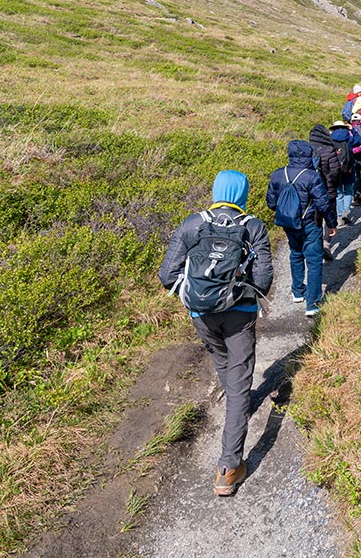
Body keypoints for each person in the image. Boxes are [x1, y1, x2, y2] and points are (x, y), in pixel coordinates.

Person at [158, 170, 272, 496]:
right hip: (240, 314)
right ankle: (228, 467)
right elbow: (263, 282)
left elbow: (167, 274)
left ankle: (238, 407)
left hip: (202, 316)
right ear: (243, 193)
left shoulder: (192, 223)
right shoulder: (253, 227)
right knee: (238, 385)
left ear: (216, 190)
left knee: (222, 361)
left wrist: (195, 296)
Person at [264, 141, 335, 315]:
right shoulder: (312, 176)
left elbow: (271, 202)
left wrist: (288, 212)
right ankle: (312, 304)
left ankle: (297, 292)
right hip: (309, 224)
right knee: (314, 260)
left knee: (295, 254)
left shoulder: (278, 175)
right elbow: (323, 204)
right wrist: (331, 224)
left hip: (289, 224)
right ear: (308, 155)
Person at [309, 123, 341, 260]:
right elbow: (335, 171)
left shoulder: (308, 149)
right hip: (328, 189)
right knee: (330, 216)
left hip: (312, 191)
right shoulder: (329, 149)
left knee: (316, 218)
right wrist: (333, 182)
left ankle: (316, 244)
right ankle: (326, 243)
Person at [329, 121, 357, 224]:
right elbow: (359, 141)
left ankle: (340, 215)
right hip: (348, 168)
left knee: (339, 193)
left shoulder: (330, 139)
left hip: (336, 169)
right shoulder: (349, 138)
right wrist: (352, 130)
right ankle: (347, 211)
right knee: (349, 190)